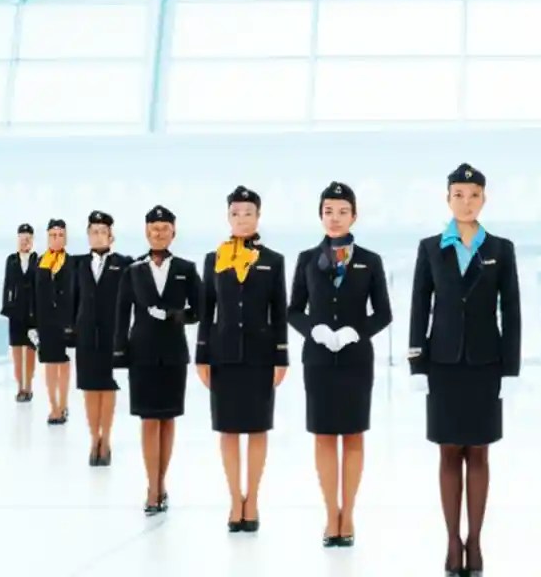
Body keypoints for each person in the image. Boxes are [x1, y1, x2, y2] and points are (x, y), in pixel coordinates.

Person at [408, 163, 522, 576]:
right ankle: (451, 541)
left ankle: (475, 542)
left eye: (474, 194)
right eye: (459, 194)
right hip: (442, 363)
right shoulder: (430, 247)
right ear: (448, 198)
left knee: (478, 451)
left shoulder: (500, 249)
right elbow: (420, 306)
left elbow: (511, 309)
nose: (466, 201)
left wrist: (510, 369)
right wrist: (417, 363)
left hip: (484, 363)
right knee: (446, 450)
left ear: (484, 198)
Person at [288, 181, 392, 548]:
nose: (335, 218)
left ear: (354, 215)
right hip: (317, 360)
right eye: (328, 211)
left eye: (342, 211)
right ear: (320, 215)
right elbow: (293, 309)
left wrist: (355, 331)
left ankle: (349, 513)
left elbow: (384, 313)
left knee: (352, 434)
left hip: (355, 360)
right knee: (323, 435)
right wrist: (312, 330)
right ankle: (330, 510)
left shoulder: (369, 260)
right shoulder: (306, 259)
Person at [195, 186, 289, 533]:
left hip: (261, 356)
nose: (242, 219)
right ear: (228, 217)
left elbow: (279, 311)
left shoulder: (273, 260)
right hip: (223, 355)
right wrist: (201, 355)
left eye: (248, 213)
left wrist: (282, 356)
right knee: (228, 429)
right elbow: (207, 311)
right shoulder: (214, 259)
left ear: (258, 216)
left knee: (258, 427)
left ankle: (254, 499)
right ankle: (235, 499)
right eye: (235, 213)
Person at [113, 205, 202, 515]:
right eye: (153, 228)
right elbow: (122, 313)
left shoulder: (186, 269)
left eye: (164, 228)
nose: (159, 232)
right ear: (146, 232)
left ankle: (162, 482)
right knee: (149, 420)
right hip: (142, 353)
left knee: (168, 419)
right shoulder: (133, 271)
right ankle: (152, 487)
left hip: (174, 353)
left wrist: (175, 316)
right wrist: (119, 353)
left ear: (173, 232)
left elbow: (201, 310)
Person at [74, 211, 132, 467]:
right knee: (89, 388)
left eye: (102, 231)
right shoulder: (77, 264)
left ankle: (106, 439)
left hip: (113, 333)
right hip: (85, 333)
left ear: (111, 236)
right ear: (88, 235)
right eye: (93, 231)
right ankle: (93, 438)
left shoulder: (124, 263)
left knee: (107, 387)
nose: (98, 236)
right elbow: (71, 300)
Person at [35, 218, 76, 425]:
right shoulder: (40, 262)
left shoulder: (72, 263)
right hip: (46, 322)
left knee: (64, 363)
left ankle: (63, 402)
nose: (56, 239)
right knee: (50, 364)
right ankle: (54, 407)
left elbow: (78, 294)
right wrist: (33, 324)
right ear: (47, 237)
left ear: (66, 237)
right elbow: (35, 294)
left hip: (66, 321)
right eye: (53, 235)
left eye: (60, 235)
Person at [1, 223, 38, 402]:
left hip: (32, 312)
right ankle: (20, 387)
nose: (24, 241)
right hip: (16, 312)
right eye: (22, 238)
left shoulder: (38, 259)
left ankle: (29, 386)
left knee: (30, 350)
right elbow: (8, 285)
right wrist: (7, 307)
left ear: (32, 240)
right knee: (16, 351)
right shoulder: (11, 260)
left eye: (28, 238)